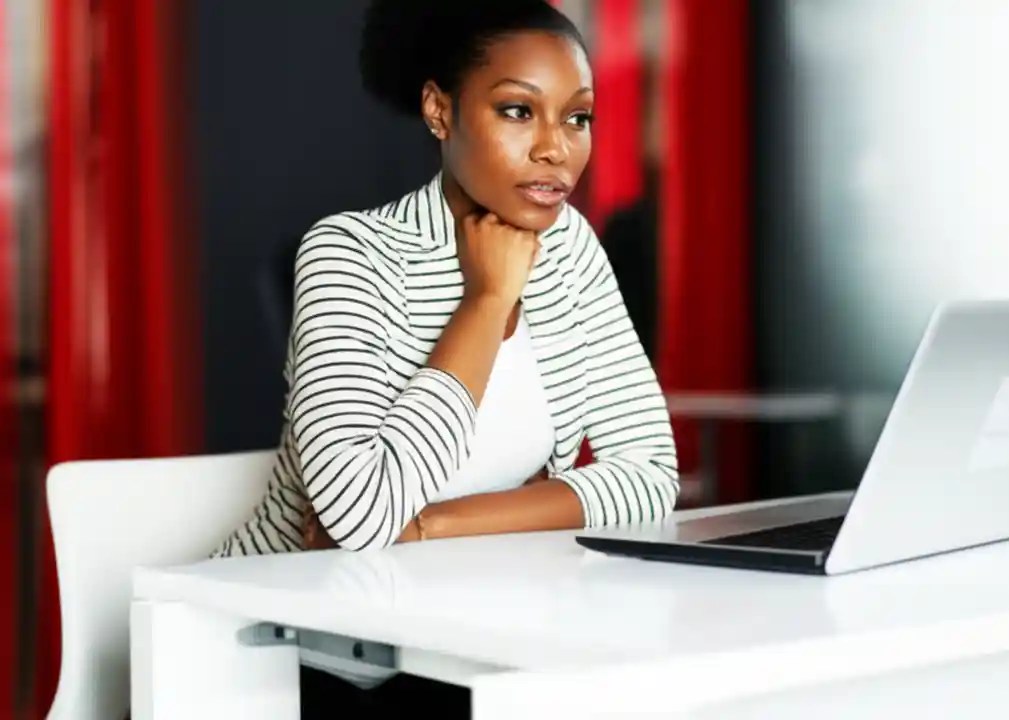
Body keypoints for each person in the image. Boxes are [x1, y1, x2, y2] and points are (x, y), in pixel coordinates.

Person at [212, 1, 679, 714]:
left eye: (577, 117)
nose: (557, 148)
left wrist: (431, 524)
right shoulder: (350, 254)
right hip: (282, 655)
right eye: (519, 111)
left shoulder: (573, 254)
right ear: (439, 110)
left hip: (459, 642)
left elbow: (648, 476)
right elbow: (360, 519)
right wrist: (486, 303)